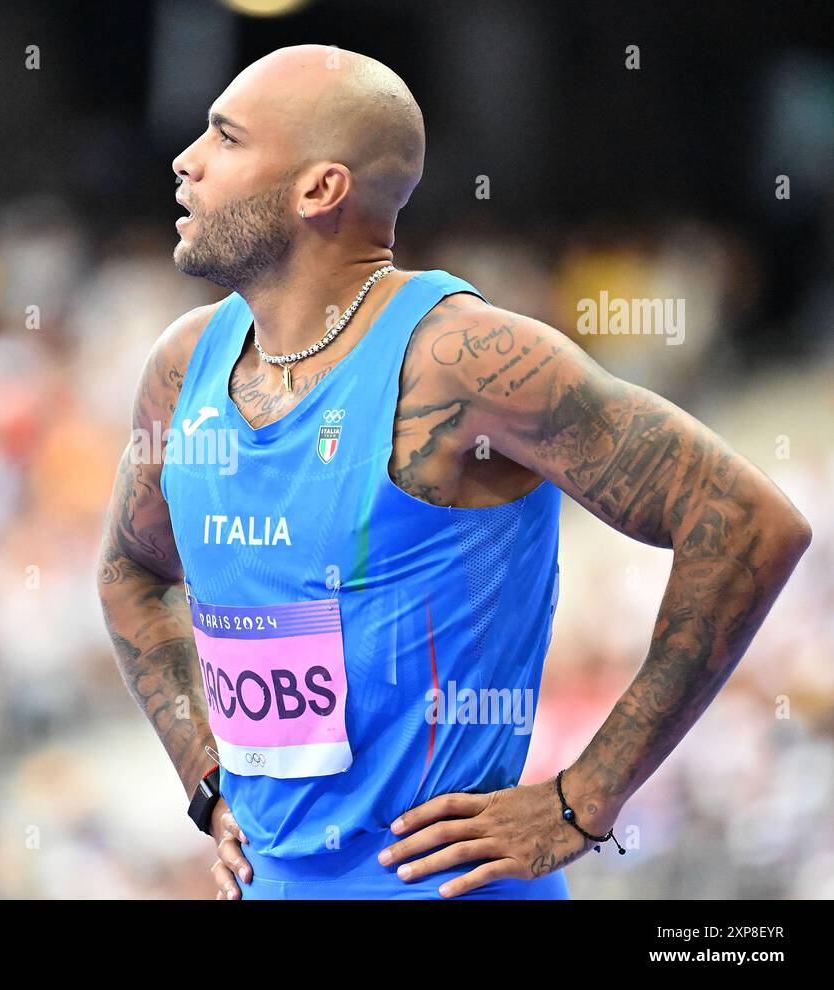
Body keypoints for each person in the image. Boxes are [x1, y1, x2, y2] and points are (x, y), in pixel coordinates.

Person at [95, 44, 812, 900]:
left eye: (226, 137)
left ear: (319, 188)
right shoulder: (184, 366)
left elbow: (749, 520)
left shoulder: (462, 361)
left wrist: (585, 798)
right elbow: (129, 570)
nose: (187, 159)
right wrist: (206, 783)